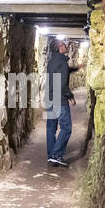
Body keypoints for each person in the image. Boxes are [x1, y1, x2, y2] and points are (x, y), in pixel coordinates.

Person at [44, 39, 77, 167]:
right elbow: (62, 83)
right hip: (59, 99)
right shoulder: (62, 63)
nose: (66, 45)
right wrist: (70, 96)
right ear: (59, 48)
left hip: (50, 98)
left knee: (51, 128)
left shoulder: (51, 61)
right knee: (66, 128)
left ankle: (51, 155)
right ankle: (56, 155)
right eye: (64, 44)